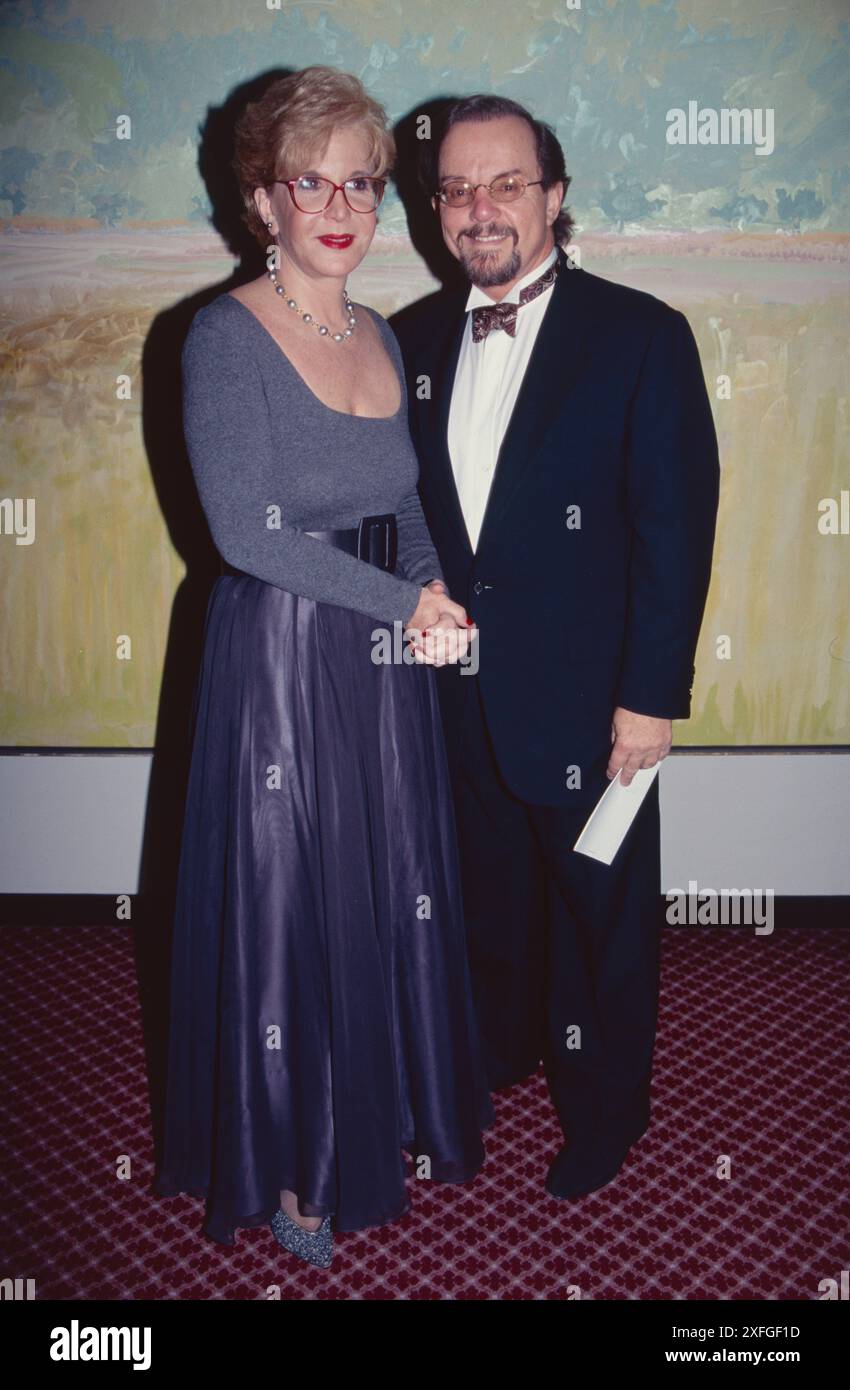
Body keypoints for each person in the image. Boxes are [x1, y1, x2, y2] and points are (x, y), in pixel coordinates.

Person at [153, 67, 494, 1269]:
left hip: (375, 653)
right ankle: (295, 1162)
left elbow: (398, 498)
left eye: (363, 180)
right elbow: (248, 534)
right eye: (314, 181)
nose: (342, 205)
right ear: (264, 199)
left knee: (385, 876)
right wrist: (405, 599)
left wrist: (431, 598)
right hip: (283, 657)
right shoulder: (218, 335)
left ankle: (379, 1119)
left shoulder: (374, 332)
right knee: (295, 899)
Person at [392, 94, 720, 1200]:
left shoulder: (639, 335)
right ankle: (494, 1055)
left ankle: (604, 1116)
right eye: (455, 189)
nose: (479, 209)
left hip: (593, 706)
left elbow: (674, 532)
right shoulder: (412, 338)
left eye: (507, 186)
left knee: (599, 923)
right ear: (435, 208)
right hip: (455, 702)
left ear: (556, 198)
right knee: (484, 902)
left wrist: (650, 697)